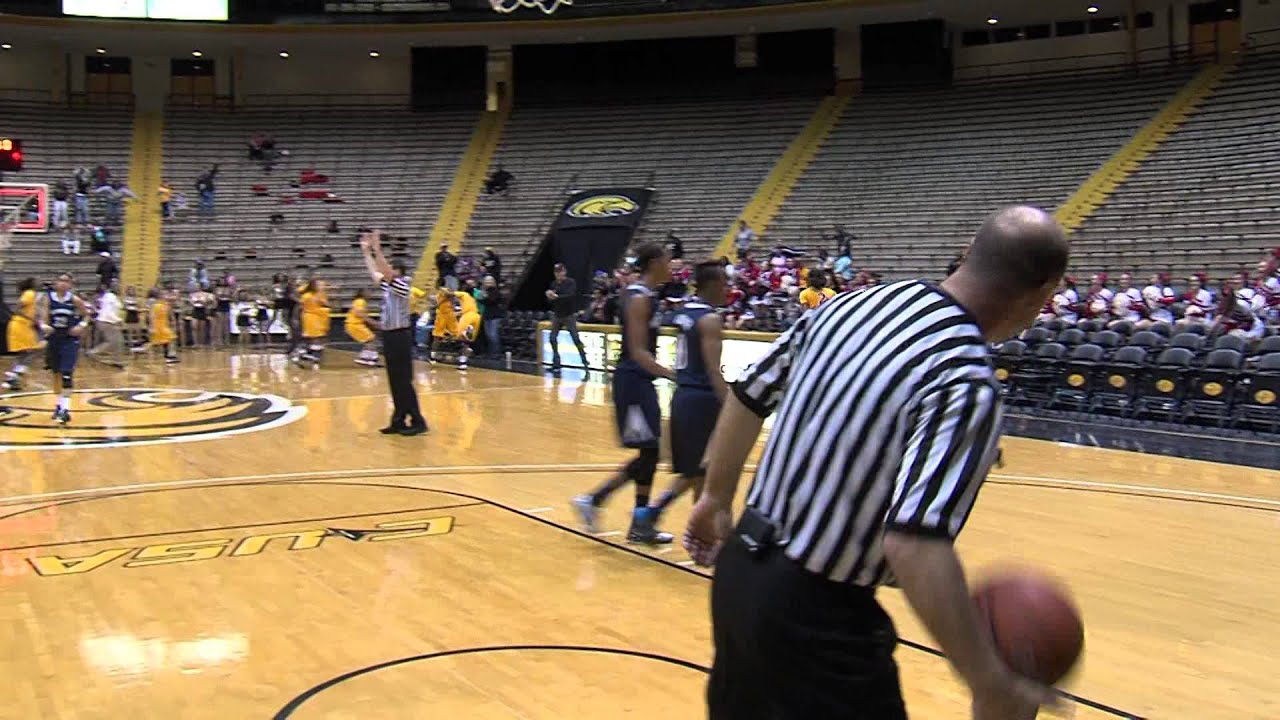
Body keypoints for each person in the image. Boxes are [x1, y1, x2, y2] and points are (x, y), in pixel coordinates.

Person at [683, 206, 1069, 720]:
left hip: (740, 576)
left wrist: (715, 497)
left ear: (968, 253)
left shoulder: (855, 304)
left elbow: (749, 394)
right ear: (1041, 295)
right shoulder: (965, 376)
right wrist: (988, 680)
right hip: (816, 619)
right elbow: (912, 542)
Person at [571, 242, 676, 545]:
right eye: (668, 260)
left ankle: (636, 522)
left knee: (650, 452)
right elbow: (638, 352)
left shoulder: (645, 295)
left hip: (640, 381)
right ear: (655, 262)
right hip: (633, 382)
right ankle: (595, 501)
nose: (672, 266)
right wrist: (674, 375)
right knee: (651, 452)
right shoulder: (638, 297)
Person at [649, 260, 729, 523]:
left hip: (682, 396)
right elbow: (714, 371)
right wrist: (731, 407)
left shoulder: (684, 311)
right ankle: (651, 514)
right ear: (714, 284)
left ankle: (659, 515)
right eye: (725, 283)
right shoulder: (709, 319)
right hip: (702, 401)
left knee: (699, 472)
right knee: (702, 471)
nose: (728, 288)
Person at [360, 230, 427, 436]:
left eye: (391, 269)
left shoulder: (402, 285)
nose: (387, 272)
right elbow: (375, 274)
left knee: (403, 380)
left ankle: (417, 420)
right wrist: (366, 253)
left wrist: (377, 249)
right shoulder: (389, 288)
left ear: (398, 271)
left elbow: (385, 272)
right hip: (389, 336)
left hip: (400, 336)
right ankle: (398, 419)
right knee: (394, 380)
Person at [40, 273, 93, 424]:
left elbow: (87, 316)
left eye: (66, 281)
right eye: (60, 280)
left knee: (66, 374)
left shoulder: (75, 300)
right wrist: (44, 326)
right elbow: (43, 317)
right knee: (56, 374)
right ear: (56, 283)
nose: (63, 283)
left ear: (71, 284)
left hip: (69, 340)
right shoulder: (48, 299)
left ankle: (65, 410)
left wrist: (81, 326)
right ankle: (59, 405)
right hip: (54, 340)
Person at [546, 263, 587, 373]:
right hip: (557, 314)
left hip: (569, 314)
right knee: (552, 338)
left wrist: (557, 297)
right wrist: (549, 296)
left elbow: (570, 296)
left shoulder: (570, 282)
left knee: (575, 338)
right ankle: (556, 363)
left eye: (560, 271)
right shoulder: (554, 284)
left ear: (564, 271)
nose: (558, 274)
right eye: (556, 272)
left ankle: (585, 361)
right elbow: (551, 301)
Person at [2, 277, 39, 390]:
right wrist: (32, 319)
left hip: (22, 326)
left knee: (25, 353)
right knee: (31, 351)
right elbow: (18, 308)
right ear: (32, 284)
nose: (40, 282)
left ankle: (14, 376)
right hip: (21, 325)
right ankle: (15, 375)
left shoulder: (30, 293)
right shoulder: (30, 293)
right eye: (37, 281)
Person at [87, 282, 125, 368]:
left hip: (107, 321)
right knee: (113, 341)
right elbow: (108, 311)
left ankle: (117, 360)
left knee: (118, 341)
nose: (119, 288)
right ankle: (93, 352)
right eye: (117, 286)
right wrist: (117, 320)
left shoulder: (110, 297)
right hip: (106, 321)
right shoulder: (110, 297)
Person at [295, 279, 330, 368]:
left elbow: (325, 303)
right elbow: (300, 307)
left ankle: (309, 356)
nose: (322, 286)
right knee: (315, 338)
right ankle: (310, 356)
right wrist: (296, 318)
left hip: (320, 317)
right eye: (319, 285)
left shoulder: (320, 295)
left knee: (318, 338)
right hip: (311, 318)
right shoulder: (307, 296)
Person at [347, 288, 382, 367]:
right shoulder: (360, 301)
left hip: (355, 325)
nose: (369, 294)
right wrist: (373, 322)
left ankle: (366, 358)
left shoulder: (359, 302)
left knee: (370, 340)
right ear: (363, 293)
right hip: (355, 324)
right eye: (368, 292)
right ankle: (369, 359)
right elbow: (358, 313)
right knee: (371, 339)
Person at [148, 288, 179, 364]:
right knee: (158, 342)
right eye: (163, 294)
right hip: (157, 326)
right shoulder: (155, 305)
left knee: (169, 340)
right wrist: (152, 327)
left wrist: (173, 322)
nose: (165, 296)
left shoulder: (165, 305)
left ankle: (169, 356)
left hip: (164, 325)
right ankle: (139, 348)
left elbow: (170, 314)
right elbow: (151, 316)